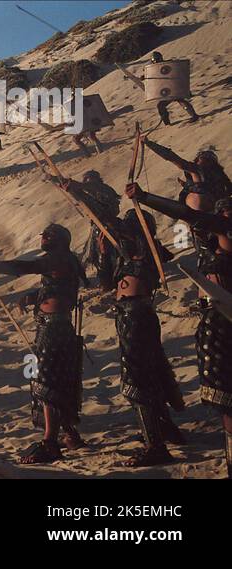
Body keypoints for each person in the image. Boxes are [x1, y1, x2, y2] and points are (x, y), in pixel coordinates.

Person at [126, 181, 231, 474]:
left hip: (226, 318)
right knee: (225, 399)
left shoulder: (226, 231)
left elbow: (189, 215)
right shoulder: (214, 238)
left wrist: (146, 197)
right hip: (214, 318)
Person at [0, 224, 88, 462]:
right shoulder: (62, 261)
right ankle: (69, 434)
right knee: (51, 378)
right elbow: (57, 288)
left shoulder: (59, 258)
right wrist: (32, 297)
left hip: (54, 327)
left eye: (49, 235)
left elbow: (22, 267)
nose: (43, 237)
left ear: (62, 240)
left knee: (46, 380)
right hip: (52, 325)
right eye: (43, 234)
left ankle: (49, 441)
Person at [103, 207, 185, 466]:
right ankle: (164, 427)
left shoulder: (144, 245)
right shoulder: (141, 250)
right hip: (134, 313)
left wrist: (77, 190)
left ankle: (155, 446)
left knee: (137, 376)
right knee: (150, 370)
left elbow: (112, 222)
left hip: (135, 314)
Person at [46, 170, 121, 292]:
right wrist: (55, 179)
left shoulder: (104, 189)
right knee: (95, 255)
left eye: (90, 179)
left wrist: (76, 186)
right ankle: (104, 279)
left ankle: (111, 278)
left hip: (111, 226)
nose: (88, 182)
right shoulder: (87, 192)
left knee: (110, 254)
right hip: (97, 227)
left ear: (97, 180)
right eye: (86, 179)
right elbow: (76, 191)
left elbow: (91, 189)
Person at [143, 137, 230, 199]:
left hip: (200, 209)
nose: (200, 161)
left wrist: (150, 144)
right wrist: (187, 185)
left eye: (202, 159)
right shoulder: (219, 174)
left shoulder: (197, 169)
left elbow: (172, 158)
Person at [149, 51, 200, 126]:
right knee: (161, 105)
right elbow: (155, 79)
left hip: (175, 88)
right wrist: (146, 77)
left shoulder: (169, 65)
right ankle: (167, 124)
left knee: (180, 99)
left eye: (157, 59)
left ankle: (194, 115)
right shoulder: (155, 69)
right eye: (154, 60)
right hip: (167, 91)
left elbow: (177, 72)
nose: (156, 61)